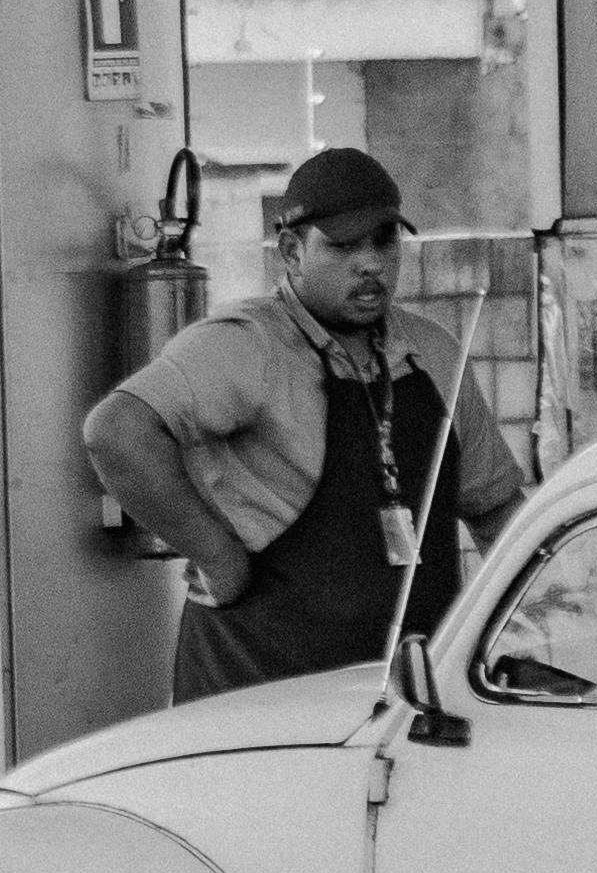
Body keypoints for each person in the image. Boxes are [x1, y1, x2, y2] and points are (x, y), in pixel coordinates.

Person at [82, 147, 526, 701]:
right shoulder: (249, 344)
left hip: (407, 705)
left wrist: (539, 621)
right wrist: (216, 555)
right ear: (292, 251)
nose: (370, 264)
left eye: (384, 241)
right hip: (259, 700)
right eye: (342, 246)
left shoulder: (431, 351)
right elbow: (117, 431)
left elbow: (497, 507)